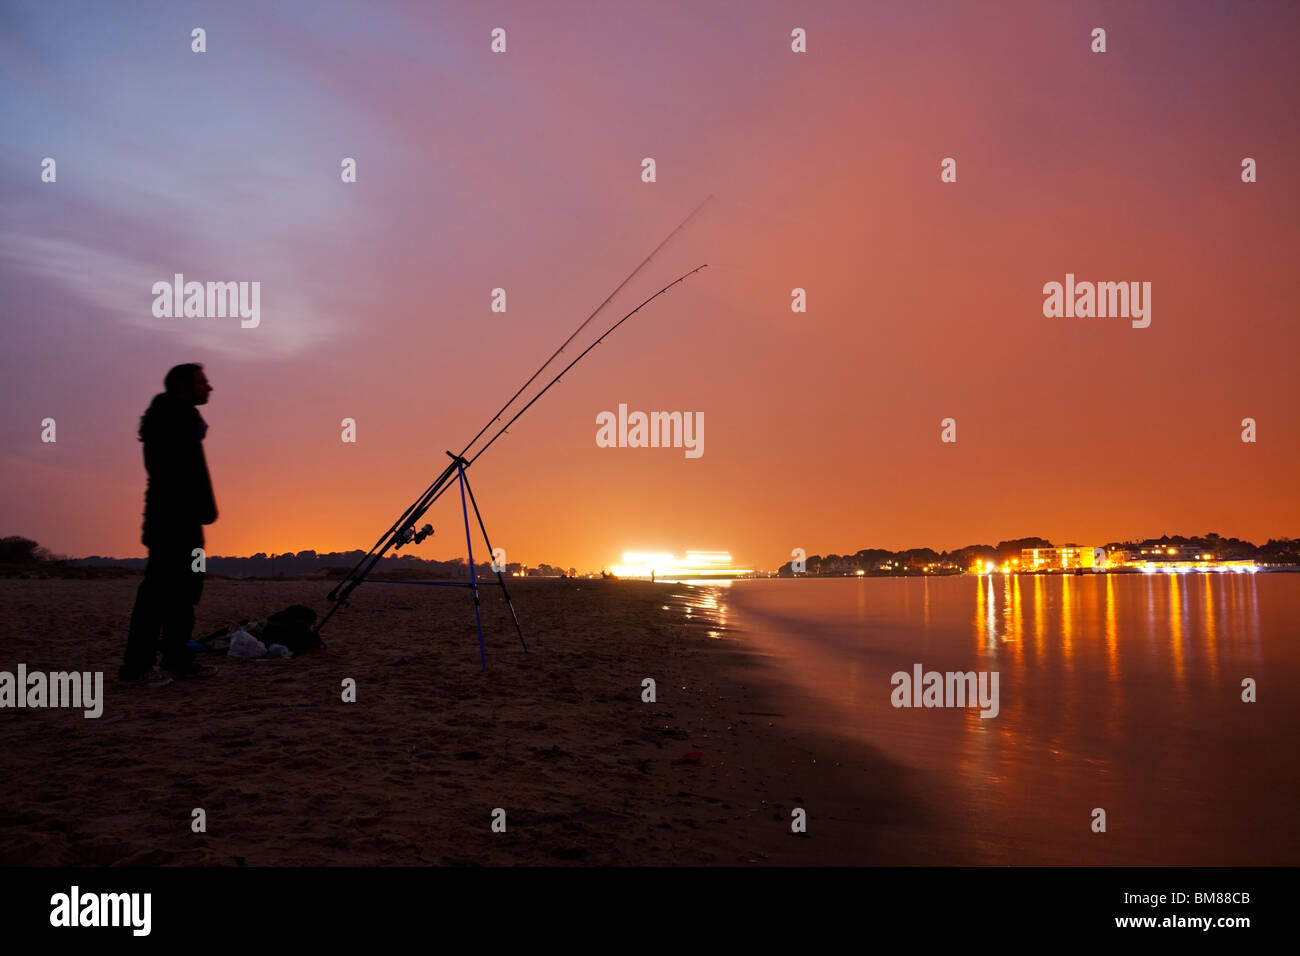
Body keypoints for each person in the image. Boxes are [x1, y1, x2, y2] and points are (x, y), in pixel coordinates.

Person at [118, 364, 219, 685]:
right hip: (171, 524)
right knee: (157, 597)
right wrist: (202, 508)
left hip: (182, 522)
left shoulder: (180, 420)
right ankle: (137, 668)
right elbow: (181, 477)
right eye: (203, 382)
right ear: (184, 388)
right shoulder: (176, 422)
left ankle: (177, 659)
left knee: (185, 594)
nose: (210, 387)